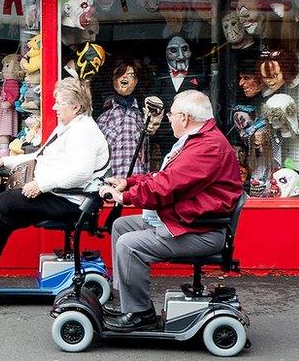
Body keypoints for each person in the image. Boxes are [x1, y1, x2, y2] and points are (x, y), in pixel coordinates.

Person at [99, 90, 242, 331]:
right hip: (187, 221)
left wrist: (123, 197)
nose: (169, 118)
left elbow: (164, 187)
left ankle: (139, 314)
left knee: (129, 244)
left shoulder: (207, 148)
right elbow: (165, 176)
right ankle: (128, 302)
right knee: (121, 226)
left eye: (171, 114)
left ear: (184, 117)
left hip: (200, 231)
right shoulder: (198, 140)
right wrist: (129, 182)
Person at [0, 78, 110, 276]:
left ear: (75, 106)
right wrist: (5, 161)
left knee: (6, 202)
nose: (54, 106)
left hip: (73, 201)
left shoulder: (83, 132)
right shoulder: (68, 127)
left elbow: (80, 173)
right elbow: (40, 155)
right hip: (60, 193)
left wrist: (41, 185)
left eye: (59, 102)